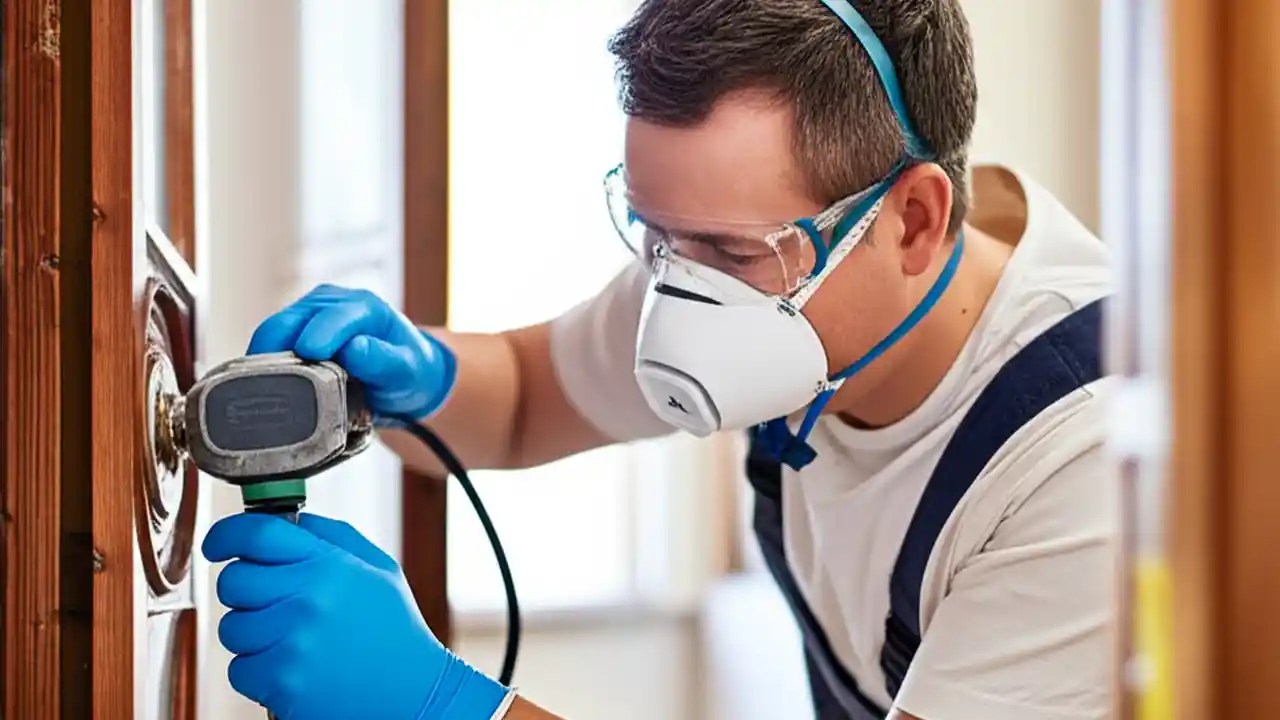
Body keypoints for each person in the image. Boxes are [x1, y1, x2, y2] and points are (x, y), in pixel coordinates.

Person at [202, 0, 1118, 718]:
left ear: (913, 220)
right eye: (654, 234)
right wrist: (412, 383)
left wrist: (444, 706)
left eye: (726, 251)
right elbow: (523, 400)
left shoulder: (1088, 467)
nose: (678, 299)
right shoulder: (764, 272)